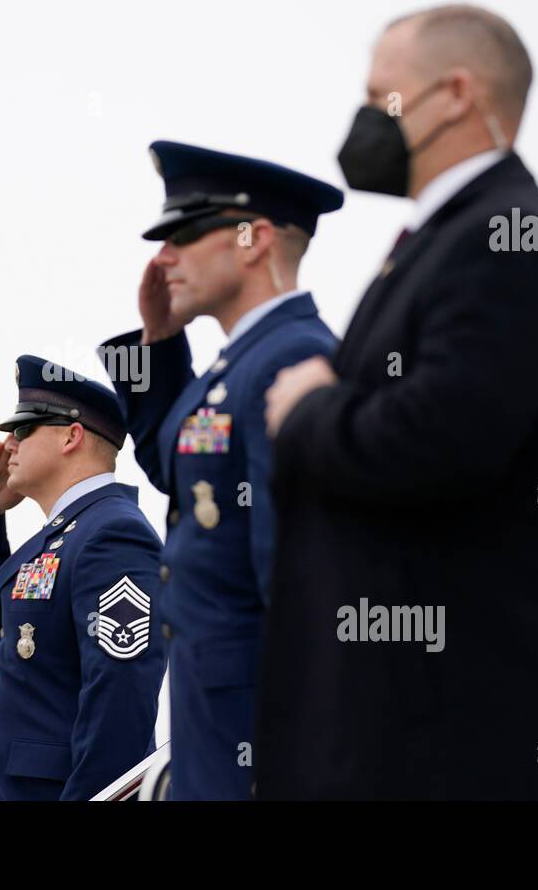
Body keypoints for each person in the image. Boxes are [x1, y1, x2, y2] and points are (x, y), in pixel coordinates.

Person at [258, 4, 538, 799]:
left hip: (466, 742)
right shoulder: (452, 240)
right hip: (415, 731)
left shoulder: (507, 239)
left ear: (456, 94)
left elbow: (435, 441)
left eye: (380, 97)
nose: (364, 121)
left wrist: (308, 411)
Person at [100, 141, 344, 799]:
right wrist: (155, 342)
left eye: (183, 234)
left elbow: (299, 582)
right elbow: (177, 471)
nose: (164, 257)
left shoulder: (291, 360)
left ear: (253, 239)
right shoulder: (239, 364)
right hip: (215, 726)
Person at [0, 355, 165, 800]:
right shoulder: (65, 535)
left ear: (71, 436)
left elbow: (121, 697)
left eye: (22, 429)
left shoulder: (113, 533)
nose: (7, 444)